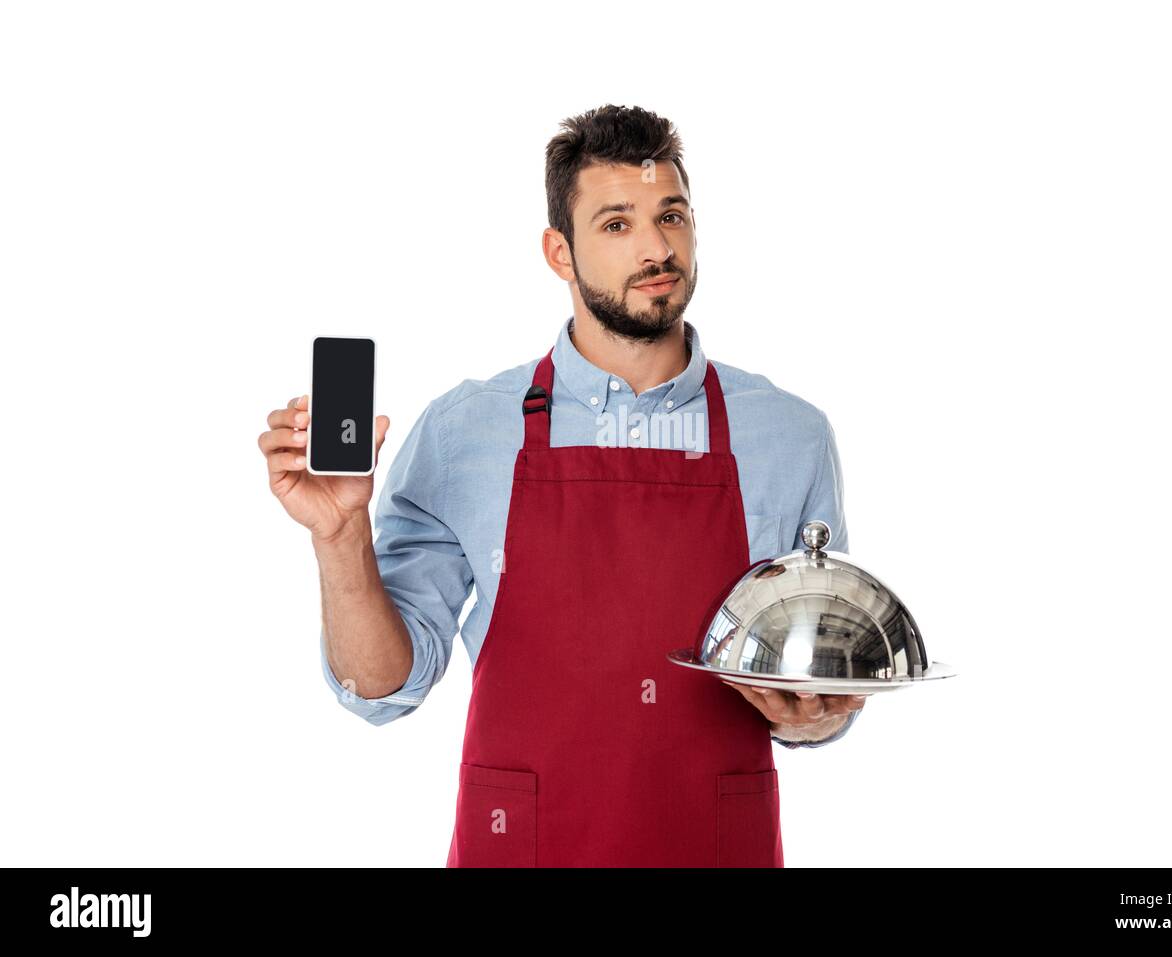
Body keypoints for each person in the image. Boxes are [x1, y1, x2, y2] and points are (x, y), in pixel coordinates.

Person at [258, 104, 865, 867]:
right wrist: (341, 535)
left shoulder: (791, 437)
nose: (654, 246)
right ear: (559, 252)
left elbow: (814, 680)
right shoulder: (464, 431)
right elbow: (381, 687)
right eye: (616, 224)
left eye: (670, 214)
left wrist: (816, 718)